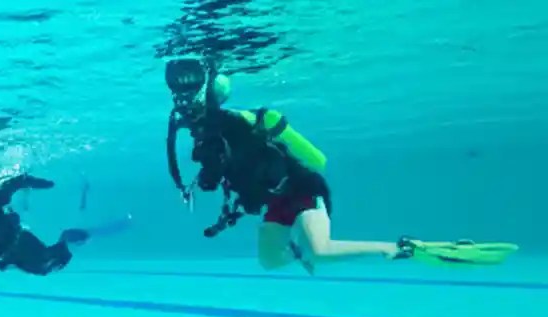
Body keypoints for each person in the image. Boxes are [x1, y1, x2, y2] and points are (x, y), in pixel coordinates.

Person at [164, 57, 516, 270]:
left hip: (301, 189)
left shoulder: (243, 121)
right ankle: (302, 250)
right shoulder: (207, 136)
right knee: (270, 261)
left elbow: (316, 160)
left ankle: (402, 248)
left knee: (322, 251)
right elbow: (216, 174)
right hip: (275, 201)